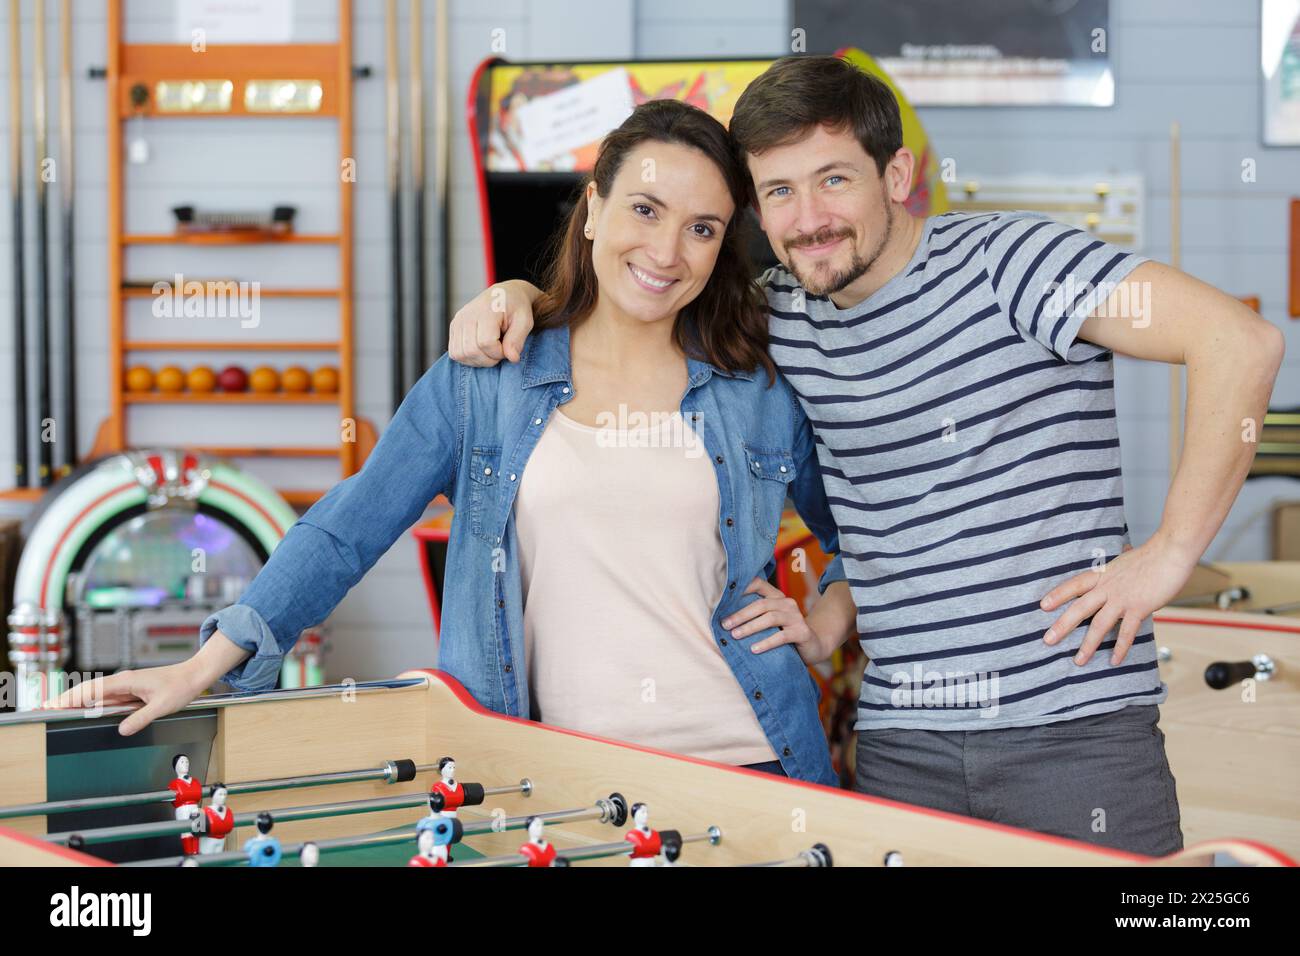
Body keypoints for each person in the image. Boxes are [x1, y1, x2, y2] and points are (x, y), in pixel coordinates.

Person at [444, 56, 1285, 857]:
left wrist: (1171, 553)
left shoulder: (1018, 265)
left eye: (833, 179)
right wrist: (516, 296)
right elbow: (622, 308)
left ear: (897, 175)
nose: (808, 217)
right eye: (778, 190)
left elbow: (1237, 342)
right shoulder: (771, 318)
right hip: (899, 744)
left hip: (1074, 738)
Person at [44, 99, 856, 786]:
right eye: (644, 210)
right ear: (595, 207)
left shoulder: (757, 391)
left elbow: (863, 528)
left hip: (755, 763)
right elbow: (348, 526)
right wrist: (200, 667)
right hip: (551, 775)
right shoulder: (486, 377)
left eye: (703, 228)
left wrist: (823, 622)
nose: (667, 251)